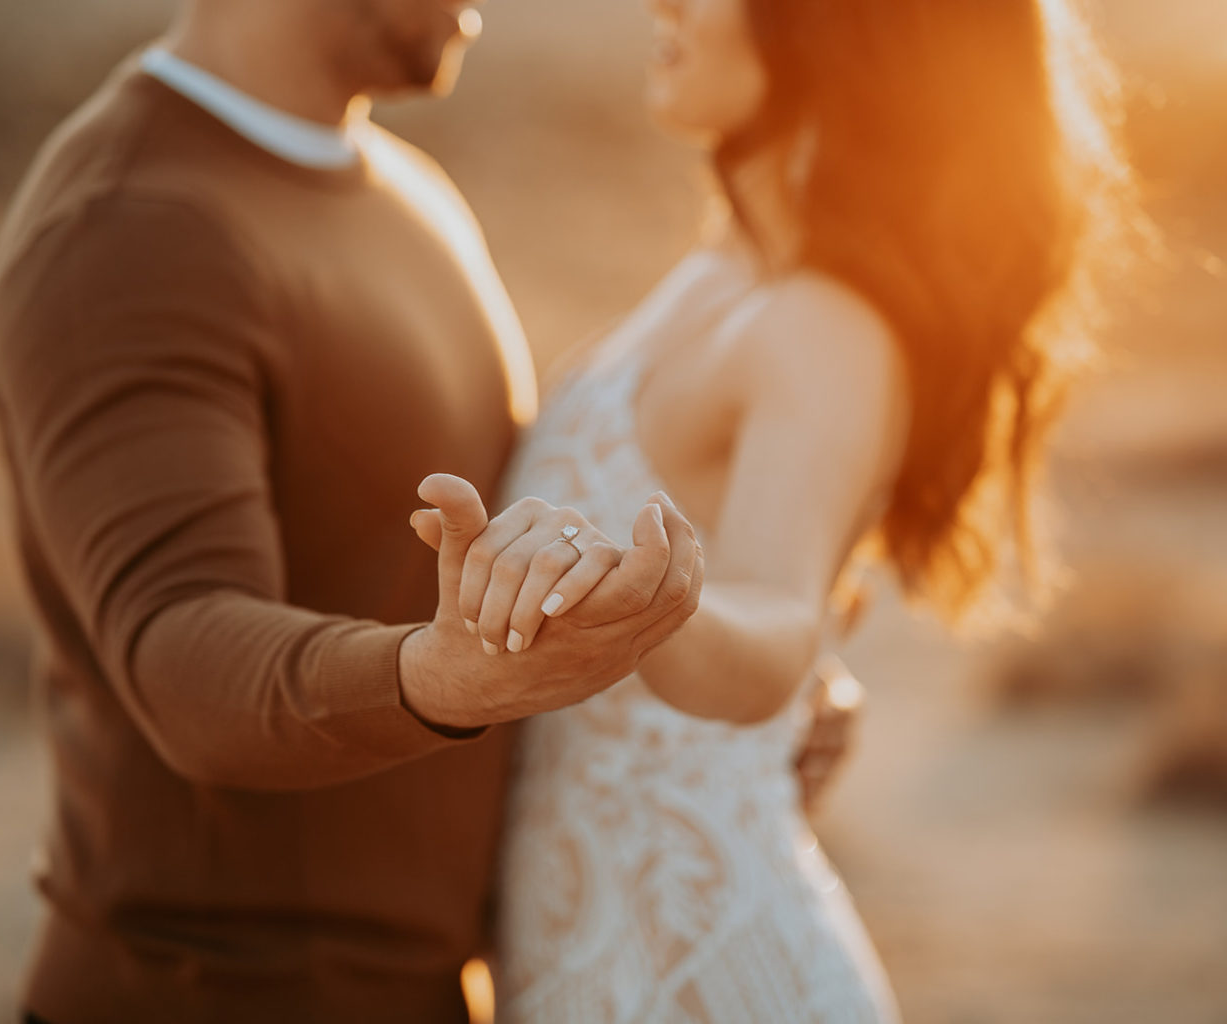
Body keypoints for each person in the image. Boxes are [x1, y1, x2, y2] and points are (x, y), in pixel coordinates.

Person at [0, 0, 718, 1020]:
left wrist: (719, 724)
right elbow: (179, 645)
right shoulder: (127, 226)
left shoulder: (408, 188)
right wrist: (438, 678)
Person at [470, 0, 1134, 1019]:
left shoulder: (820, 327)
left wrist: (644, 602)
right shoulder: (719, 271)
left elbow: (776, 616)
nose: (665, 5)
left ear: (836, 30)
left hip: (700, 972)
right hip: (590, 957)